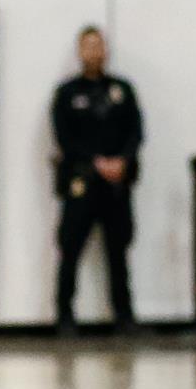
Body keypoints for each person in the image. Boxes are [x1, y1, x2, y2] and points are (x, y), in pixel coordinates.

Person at [52, 25, 143, 334]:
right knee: (70, 247)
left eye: (99, 45)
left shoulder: (122, 90)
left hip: (116, 184)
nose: (94, 51)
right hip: (82, 181)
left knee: (118, 250)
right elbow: (64, 137)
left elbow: (136, 131)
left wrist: (121, 161)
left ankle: (124, 315)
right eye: (88, 46)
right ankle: (64, 314)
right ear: (80, 52)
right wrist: (96, 161)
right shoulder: (67, 93)